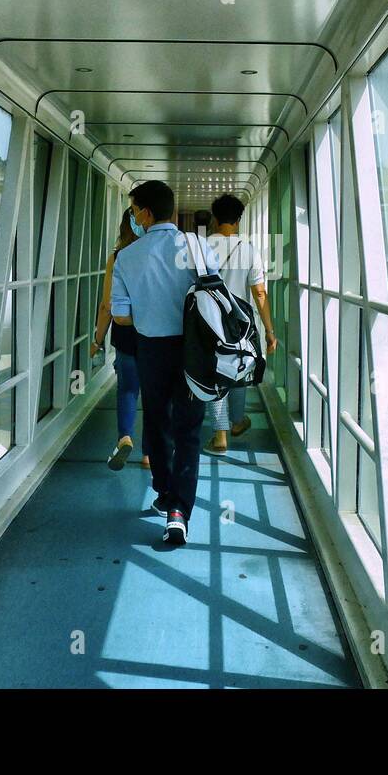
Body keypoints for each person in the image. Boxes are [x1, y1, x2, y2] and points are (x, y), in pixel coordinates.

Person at [111, 180, 219, 546]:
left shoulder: (127, 257)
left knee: (157, 421)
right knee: (189, 430)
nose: (133, 217)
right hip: (195, 352)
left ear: (144, 211)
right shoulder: (200, 247)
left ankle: (163, 490)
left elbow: (121, 317)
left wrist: (149, 309)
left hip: (152, 350)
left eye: (133, 210)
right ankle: (179, 513)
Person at [204, 193, 278, 455]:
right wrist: (269, 331)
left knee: (215, 375)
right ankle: (236, 422)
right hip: (239, 323)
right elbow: (259, 293)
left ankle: (219, 435)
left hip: (207, 322)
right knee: (236, 370)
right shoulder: (248, 250)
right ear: (238, 220)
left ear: (214, 218)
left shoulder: (202, 247)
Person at [91, 210, 149, 471]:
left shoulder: (116, 258)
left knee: (127, 389)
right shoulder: (160, 254)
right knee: (154, 397)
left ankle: (124, 437)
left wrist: (97, 339)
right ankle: (150, 454)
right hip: (156, 335)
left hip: (125, 335)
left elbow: (107, 305)